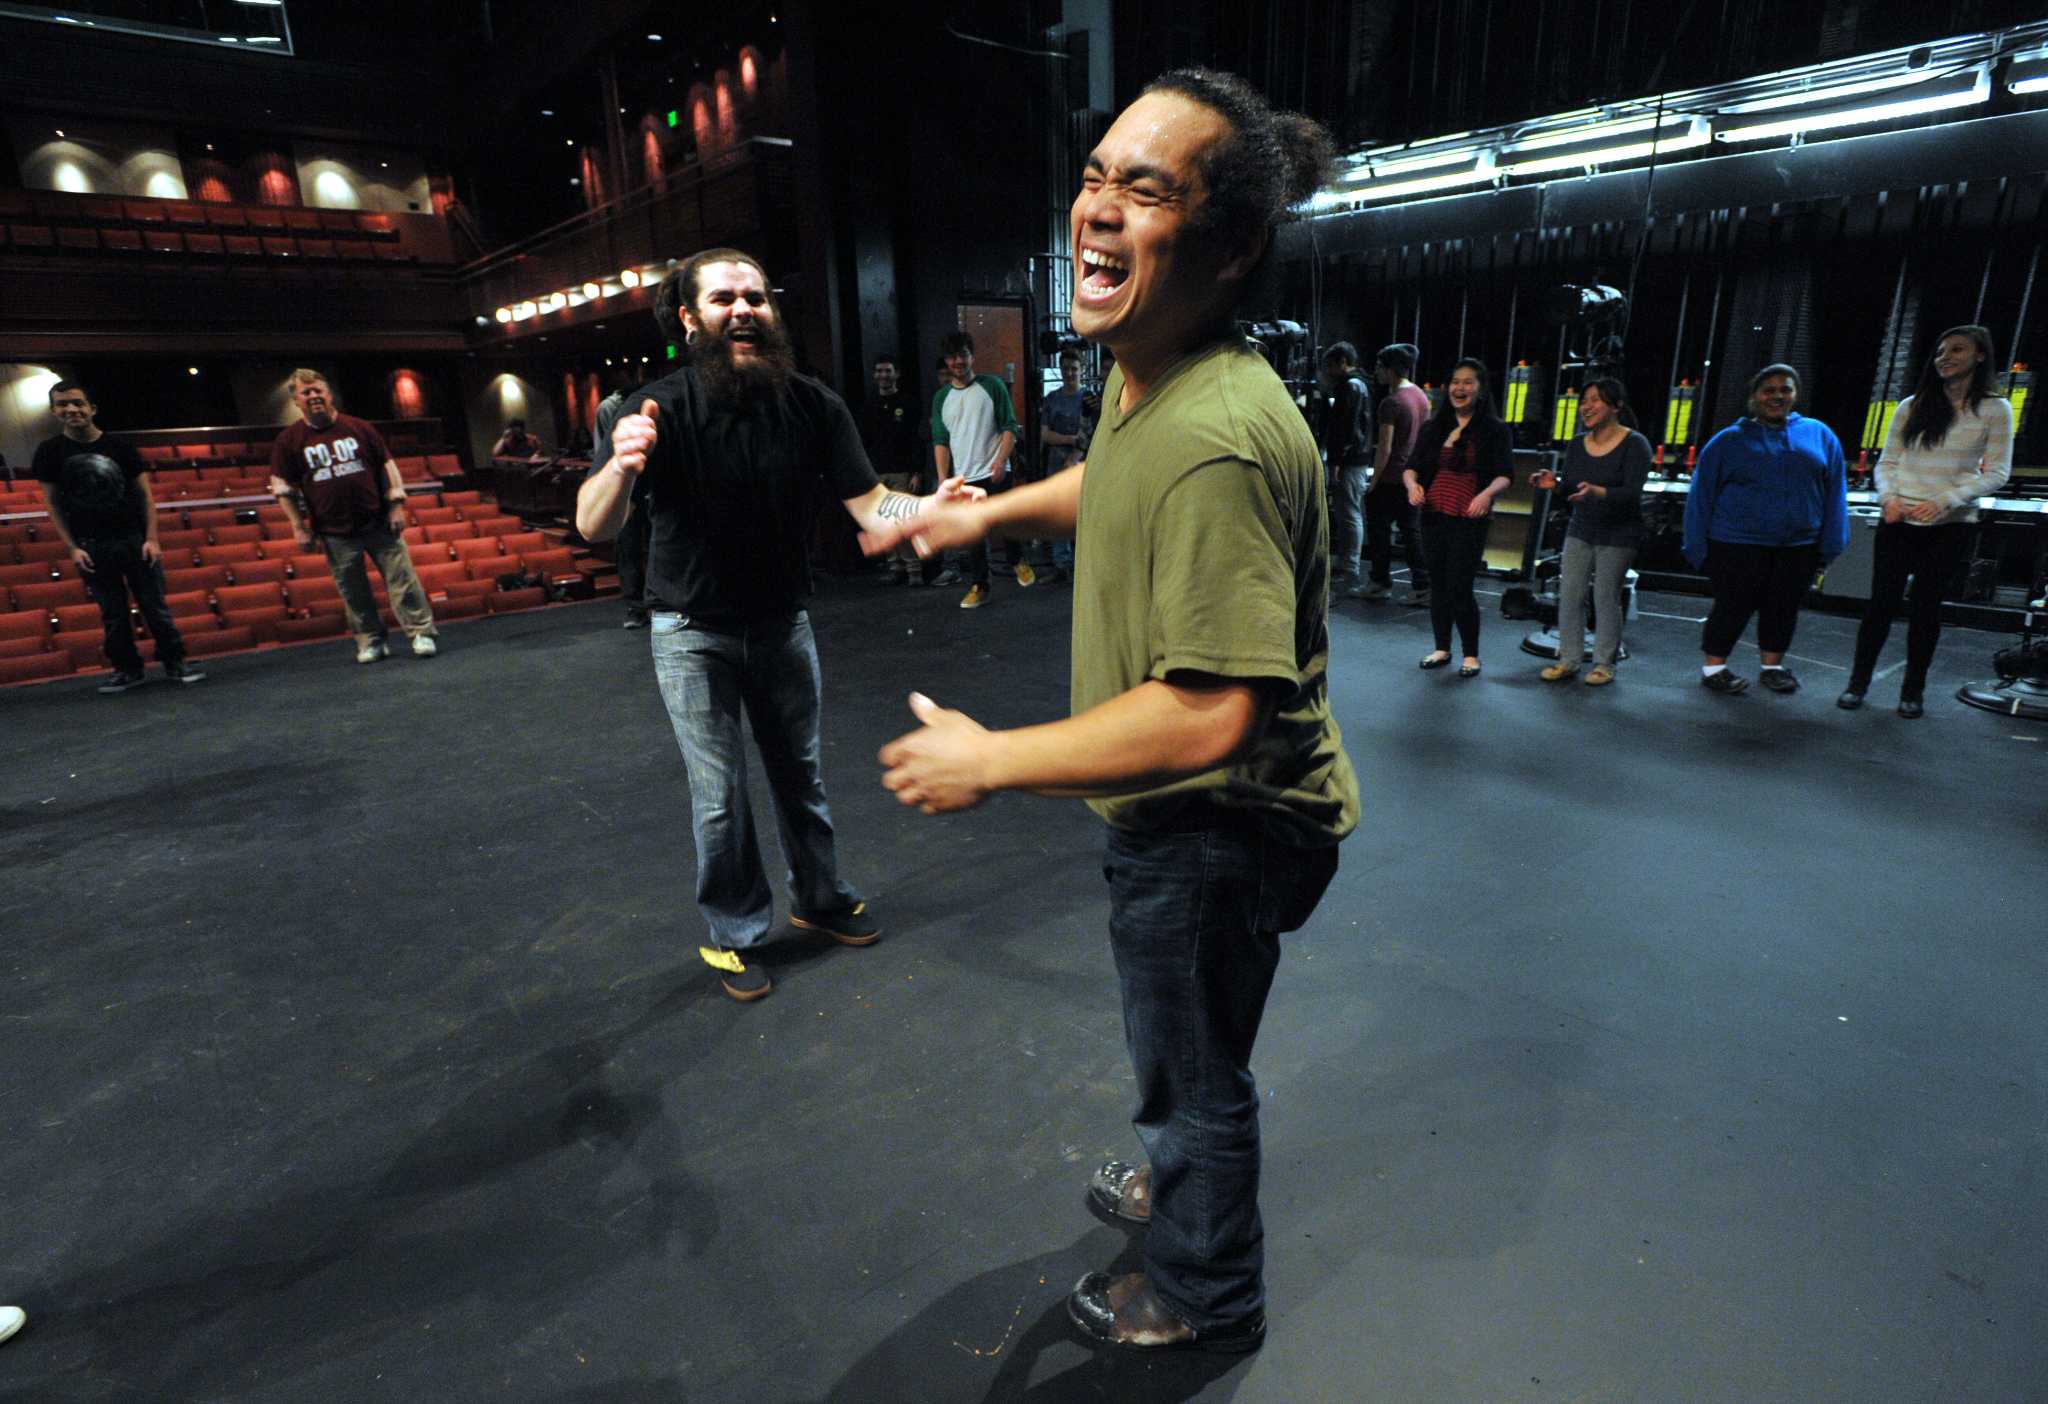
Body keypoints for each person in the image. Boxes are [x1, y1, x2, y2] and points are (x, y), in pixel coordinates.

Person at [863, 68, 1356, 1354]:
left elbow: (1207, 716)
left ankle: (1203, 1288)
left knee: (1190, 1077)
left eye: (1144, 191)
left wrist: (990, 759)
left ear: (1229, 246)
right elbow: (1106, 482)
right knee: (1191, 1050)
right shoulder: (1159, 381)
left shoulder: (1215, 437)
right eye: (1093, 178)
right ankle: (1181, 1179)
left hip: (1215, 829)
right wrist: (980, 515)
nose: (1094, 209)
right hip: (1207, 823)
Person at [576, 246, 974, 1003]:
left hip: (782, 622)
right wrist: (621, 467)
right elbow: (593, 525)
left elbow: (872, 505)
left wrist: (927, 507)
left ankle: (819, 899)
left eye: (755, 297)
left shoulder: (812, 405)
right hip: (692, 631)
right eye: (723, 299)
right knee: (720, 795)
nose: (743, 310)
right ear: (689, 318)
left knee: (800, 775)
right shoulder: (653, 408)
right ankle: (735, 932)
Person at [1841, 325, 2013, 717]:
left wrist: (1945, 501)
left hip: (1950, 526)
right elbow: (1887, 462)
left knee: (1926, 610)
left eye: (1956, 350)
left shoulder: (1994, 408)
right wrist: (1888, 498)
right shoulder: (1912, 405)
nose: (1945, 358)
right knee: (1880, 606)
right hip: (1898, 520)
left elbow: (1997, 473)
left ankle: (1912, 692)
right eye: (1940, 351)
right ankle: (1857, 684)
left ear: (1979, 356)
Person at [1683, 364, 1848, 695]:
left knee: (1783, 608)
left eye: (1785, 389)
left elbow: (1835, 491)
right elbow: (1700, 497)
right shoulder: (1728, 441)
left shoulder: (1819, 434)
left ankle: (1772, 668)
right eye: (1768, 390)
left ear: (1795, 395)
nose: (1777, 396)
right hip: (1736, 544)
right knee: (1732, 606)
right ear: (1754, 397)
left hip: (1799, 545)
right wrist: (1696, 547)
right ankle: (1714, 669)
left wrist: (1832, 542)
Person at [33, 380, 203, 693]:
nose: (71, 409)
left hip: (134, 539)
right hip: (91, 545)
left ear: (92, 408)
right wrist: (72, 548)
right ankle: (127, 670)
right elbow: (53, 504)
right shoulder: (49, 452)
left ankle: (175, 662)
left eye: (78, 403)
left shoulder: (120, 447)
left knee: (155, 606)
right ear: (54, 411)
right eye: (62, 404)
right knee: (113, 613)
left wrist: (151, 538)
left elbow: (144, 496)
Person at [269, 370, 439, 665]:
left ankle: (420, 633)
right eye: (306, 393)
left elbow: (387, 468)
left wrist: (396, 506)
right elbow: (283, 488)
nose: (313, 396)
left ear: (329, 394)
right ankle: (371, 640)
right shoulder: (288, 441)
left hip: (378, 522)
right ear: (297, 400)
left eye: (318, 390)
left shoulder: (359, 428)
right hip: (334, 531)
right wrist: (298, 527)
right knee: (353, 591)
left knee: (403, 581)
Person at [1530, 377, 1651, 686]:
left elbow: (1632, 493)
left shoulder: (1634, 443)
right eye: (1584, 400)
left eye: (1595, 399)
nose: (1587, 406)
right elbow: (1573, 488)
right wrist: (1555, 485)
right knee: (1571, 594)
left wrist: (1598, 491)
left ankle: (1603, 664)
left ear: (1616, 405)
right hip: (1582, 527)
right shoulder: (1577, 444)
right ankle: (1568, 659)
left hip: (1619, 532)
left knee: (1605, 596)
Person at [1405, 358, 1513, 677]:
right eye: (1455, 382)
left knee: (1459, 585)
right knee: (1438, 584)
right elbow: (1411, 468)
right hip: (1433, 513)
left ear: (1480, 389)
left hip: (1468, 515)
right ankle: (1442, 647)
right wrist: (1413, 486)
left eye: (1467, 382)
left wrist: (1485, 495)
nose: (1459, 388)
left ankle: (1471, 654)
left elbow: (1505, 474)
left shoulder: (1495, 430)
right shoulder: (1433, 428)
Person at [930, 331, 1021, 607]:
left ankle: (1017, 559)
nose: (958, 361)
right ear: (946, 361)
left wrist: (1000, 461)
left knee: (1005, 521)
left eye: (963, 355)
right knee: (973, 535)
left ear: (972, 356)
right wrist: (943, 477)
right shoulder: (941, 398)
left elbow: (1010, 426)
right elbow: (940, 441)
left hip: (995, 470)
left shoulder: (992, 386)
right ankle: (980, 585)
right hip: (965, 477)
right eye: (952, 357)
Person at [1359, 342, 1431, 603]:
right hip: (1413, 476)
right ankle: (1423, 585)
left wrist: (1373, 481)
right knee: (1411, 531)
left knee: (1379, 532)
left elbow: (1385, 448)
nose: (1376, 371)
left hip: (1391, 477)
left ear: (1391, 369)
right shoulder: (1420, 396)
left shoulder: (1391, 403)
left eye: (1380, 366)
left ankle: (1380, 582)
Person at [860, 353, 925, 586]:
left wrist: (917, 472)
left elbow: (917, 439)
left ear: (897, 374)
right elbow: (863, 441)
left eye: (888, 370)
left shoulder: (908, 403)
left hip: (902, 471)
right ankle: (895, 568)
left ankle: (914, 570)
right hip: (876, 472)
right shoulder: (868, 405)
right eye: (879, 371)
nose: (883, 375)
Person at [1318, 341, 1373, 591]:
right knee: (1348, 511)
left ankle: (1350, 566)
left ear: (1342, 362)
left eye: (1331, 365)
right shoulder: (1358, 385)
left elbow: (1345, 428)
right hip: (1355, 458)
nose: (1328, 371)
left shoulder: (1350, 387)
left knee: (1348, 512)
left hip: (1351, 460)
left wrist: (1336, 461)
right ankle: (1347, 563)